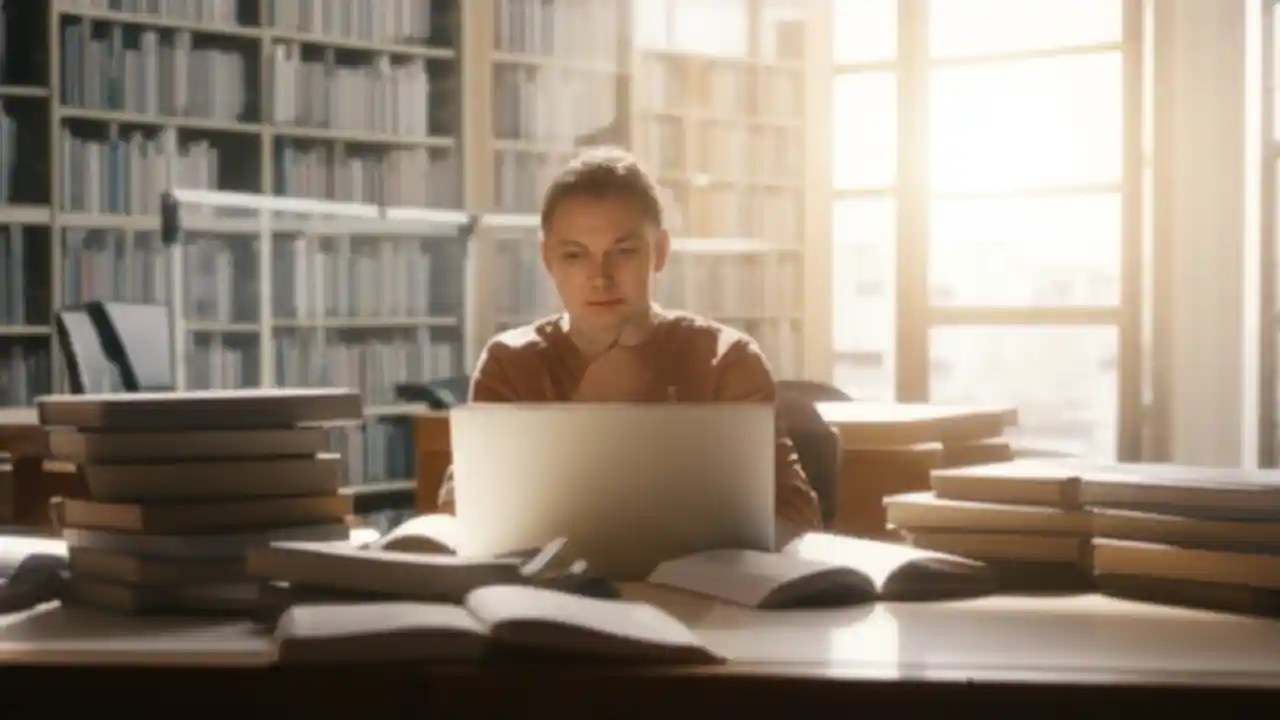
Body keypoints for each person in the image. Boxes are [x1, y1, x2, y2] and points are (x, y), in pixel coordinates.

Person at [436, 145, 823, 541]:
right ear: (547, 259)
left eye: (623, 253)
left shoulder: (725, 361)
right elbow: (464, 511)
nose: (600, 277)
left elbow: (796, 518)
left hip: (697, 594)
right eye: (575, 256)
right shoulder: (509, 363)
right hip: (551, 595)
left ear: (660, 252)